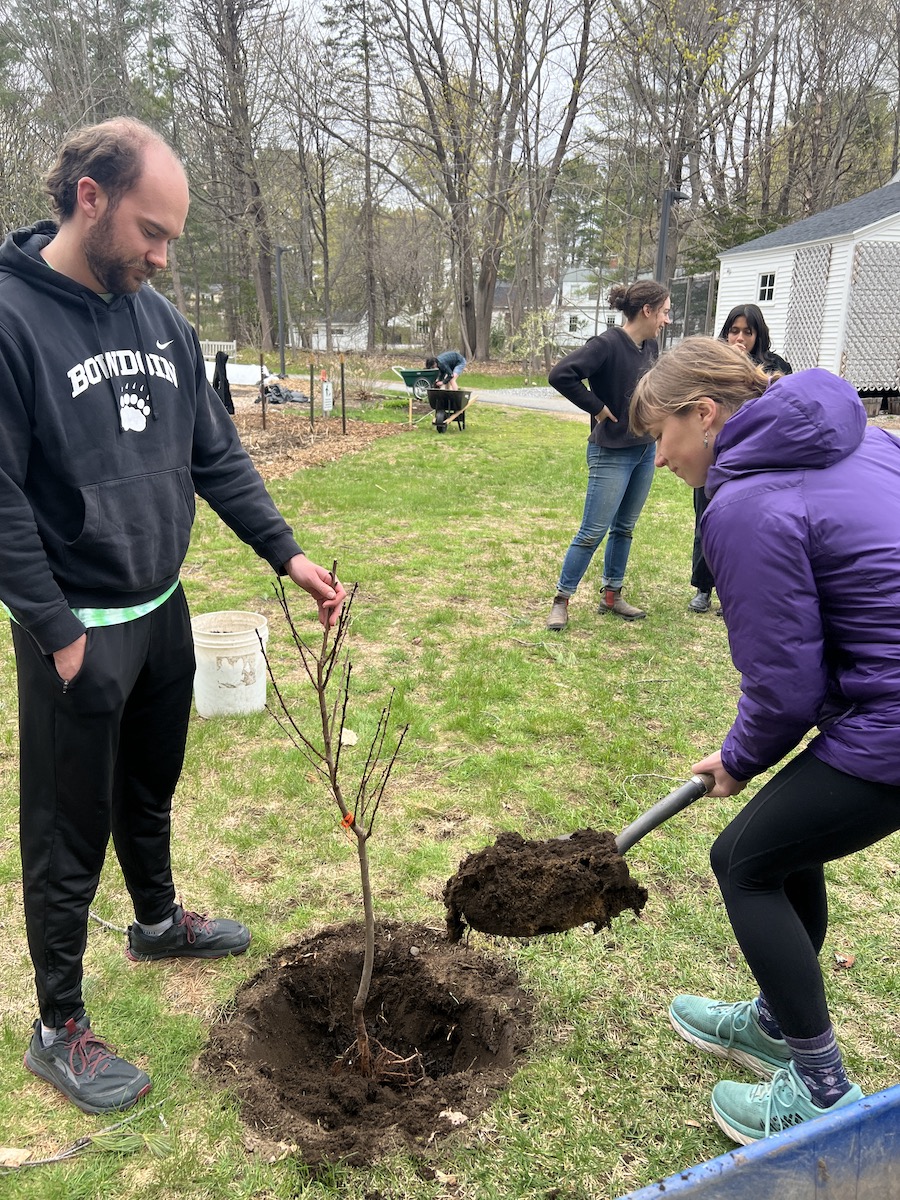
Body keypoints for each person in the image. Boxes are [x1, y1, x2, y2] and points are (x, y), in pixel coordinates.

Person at [0, 117, 347, 1116]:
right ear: (92, 198)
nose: (161, 255)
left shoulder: (160, 322)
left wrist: (288, 552)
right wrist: (58, 633)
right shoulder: (13, 320)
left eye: (172, 239)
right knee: (67, 829)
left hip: (162, 608)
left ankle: (156, 921)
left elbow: (215, 454)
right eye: (152, 232)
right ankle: (58, 1023)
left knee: (150, 787)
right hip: (77, 625)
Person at [630, 336, 900, 1144]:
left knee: (743, 862)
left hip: (892, 721)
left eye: (660, 436)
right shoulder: (865, 440)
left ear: (704, 415)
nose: (662, 456)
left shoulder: (744, 502)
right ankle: (780, 1026)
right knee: (787, 843)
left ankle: (820, 1089)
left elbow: (785, 688)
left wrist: (741, 759)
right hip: (880, 708)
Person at [544, 281, 670, 629]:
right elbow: (560, 375)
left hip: (643, 450)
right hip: (611, 451)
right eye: (664, 311)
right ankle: (561, 600)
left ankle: (612, 595)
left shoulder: (651, 345)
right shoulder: (606, 344)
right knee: (592, 531)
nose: (666, 319)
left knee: (625, 528)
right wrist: (597, 407)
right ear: (647, 310)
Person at [689, 304, 792, 613]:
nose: (741, 337)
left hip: (754, 456)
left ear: (758, 334)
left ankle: (732, 591)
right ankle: (703, 588)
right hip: (715, 454)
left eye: (748, 331)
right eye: (735, 330)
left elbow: (781, 405)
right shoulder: (713, 363)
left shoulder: (776, 366)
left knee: (745, 525)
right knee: (707, 521)